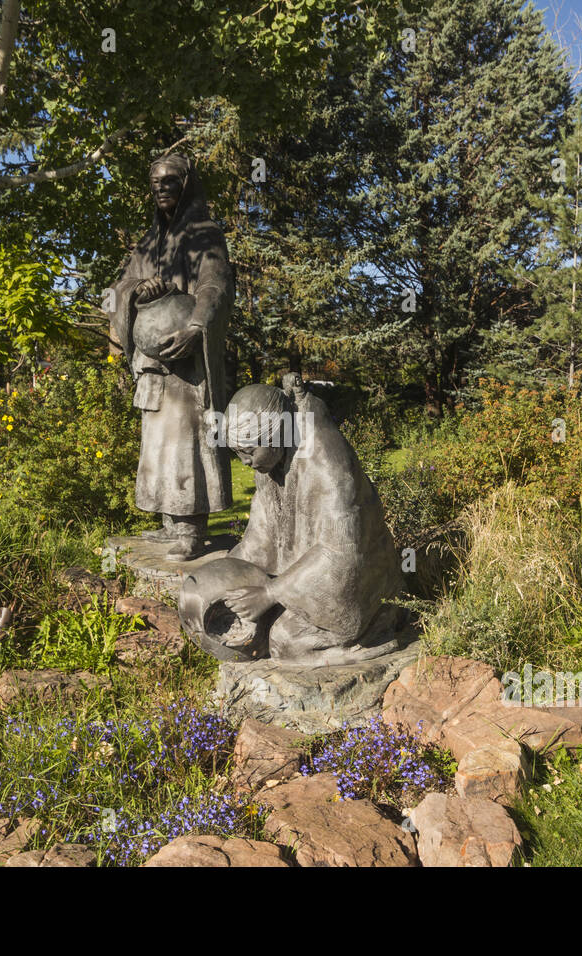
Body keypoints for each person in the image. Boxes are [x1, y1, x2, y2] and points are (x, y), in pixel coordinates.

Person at [179, 378, 405, 664]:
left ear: (275, 435)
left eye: (249, 451)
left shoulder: (329, 466)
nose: (245, 462)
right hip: (304, 578)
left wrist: (271, 592)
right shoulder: (273, 459)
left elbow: (342, 553)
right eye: (238, 452)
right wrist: (218, 575)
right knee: (244, 616)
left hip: (360, 581)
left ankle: (363, 643)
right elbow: (261, 536)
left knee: (284, 642)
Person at [108, 154, 233, 560]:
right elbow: (118, 288)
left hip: (188, 360)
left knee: (186, 442)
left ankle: (191, 532)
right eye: (155, 181)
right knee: (157, 444)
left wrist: (198, 327)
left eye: (170, 181)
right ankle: (168, 522)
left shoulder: (205, 235)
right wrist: (136, 291)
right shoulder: (148, 242)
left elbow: (214, 286)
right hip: (154, 362)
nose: (161, 188)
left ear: (186, 185)